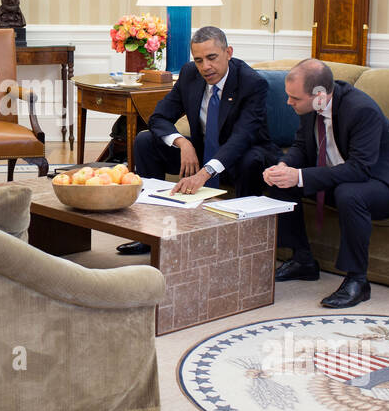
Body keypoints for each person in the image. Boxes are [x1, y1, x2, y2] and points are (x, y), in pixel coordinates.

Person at [262, 58, 389, 308]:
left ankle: (357, 281)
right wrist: (285, 167)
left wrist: (300, 176)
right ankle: (302, 260)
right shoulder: (309, 108)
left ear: (320, 95)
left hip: (385, 181)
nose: (288, 102)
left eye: (295, 98)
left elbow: (360, 168)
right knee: (282, 181)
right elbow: (301, 146)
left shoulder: (360, 109)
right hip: (343, 174)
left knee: (349, 193)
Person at [117, 26, 274, 255]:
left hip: (239, 156)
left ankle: (241, 244)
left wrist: (205, 173)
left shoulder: (251, 83)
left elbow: (242, 138)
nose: (205, 67)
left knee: (251, 159)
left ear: (228, 52)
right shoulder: (190, 74)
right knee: (145, 141)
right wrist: (183, 143)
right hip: (200, 151)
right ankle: (150, 233)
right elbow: (159, 116)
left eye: (212, 58)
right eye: (199, 60)